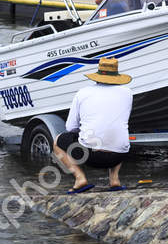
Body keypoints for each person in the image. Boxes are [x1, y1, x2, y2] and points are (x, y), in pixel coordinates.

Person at [53, 56, 133, 193]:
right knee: (118, 132)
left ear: (98, 75)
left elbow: (70, 127)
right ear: (117, 76)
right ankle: (114, 180)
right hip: (118, 156)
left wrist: (85, 130)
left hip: (90, 156)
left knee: (58, 141)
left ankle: (80, 178)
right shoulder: (128, 93)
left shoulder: (83, 93)